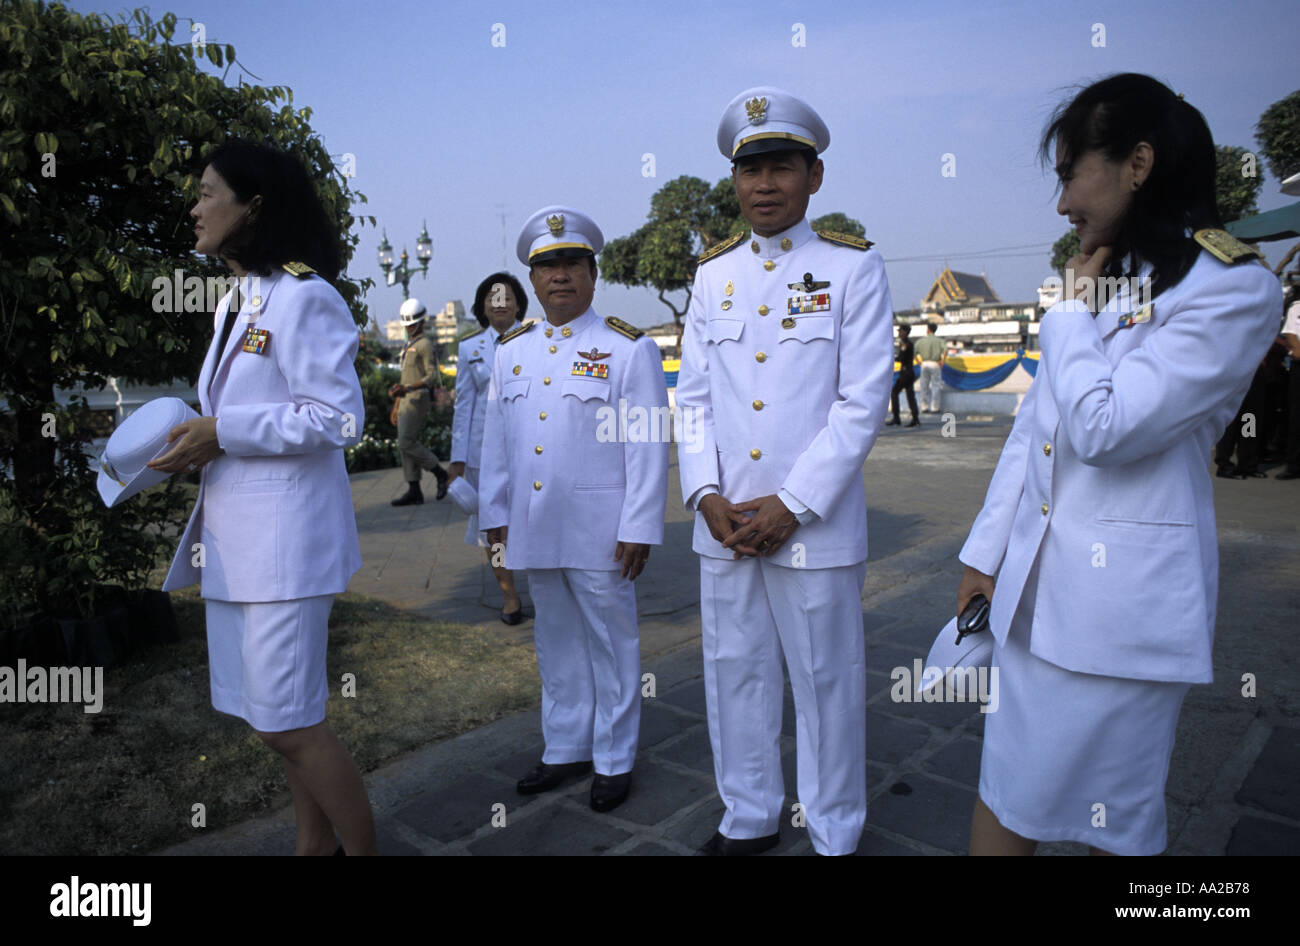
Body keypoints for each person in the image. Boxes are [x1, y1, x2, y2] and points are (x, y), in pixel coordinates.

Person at [955, 74, 1281, 856]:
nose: (1063, 203)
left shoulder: (1233, 288)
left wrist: (1065, 310)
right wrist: (983, 553)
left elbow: (1105, 429)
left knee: (1117, 822)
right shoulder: (1109, 273)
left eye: (1071, 173)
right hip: (1036, 595)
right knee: (1006, 790)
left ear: (1138, 162)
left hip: (1118, 612)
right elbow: (1038, 427)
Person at [675, 87, 895, 856]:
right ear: (733, 181)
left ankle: (835, 832)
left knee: (826, 684)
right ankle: (749, 817)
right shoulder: (712, 277)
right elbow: (692, 398)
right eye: (750, 170)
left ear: (815, 175)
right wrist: (704, 494)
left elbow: (862, 401)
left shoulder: (852, 269)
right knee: (734, 677)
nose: (764, 185)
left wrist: (794, 503)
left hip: (813, 525)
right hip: (727, 524)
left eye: (781, 167)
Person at [150, 140, 378, 855]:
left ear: (254, 206)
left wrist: (225, 431)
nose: (194, 209)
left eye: (208, 193)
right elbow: (245, 419)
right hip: (237, 548)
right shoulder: (240, 302)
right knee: (276, 718)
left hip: (285, 551)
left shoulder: (307, 296)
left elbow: (339, 417)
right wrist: (198, 442)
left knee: (288, 723)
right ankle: (316, 848)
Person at [478, 206, 669, 813]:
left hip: (601, 529)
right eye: (547, 265)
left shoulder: (626, 348)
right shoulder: (512, 350)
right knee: (555, 641)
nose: (560, 275)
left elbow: (646, 444)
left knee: (612, 644)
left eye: (572, 263)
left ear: (593, 273)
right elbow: (497, 442)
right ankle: (565, 747)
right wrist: (493, 513)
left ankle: (614, 758)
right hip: (533, 525)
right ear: (532, 281)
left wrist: (640, 524)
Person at [449, 273, 528, 623]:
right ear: (483, 306)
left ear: (519, 304)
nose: (500, 304)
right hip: (484, 453)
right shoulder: (470, 349)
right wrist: (458, 459)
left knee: (532, 518)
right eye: (493, 299)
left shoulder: (537, 340)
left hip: (529, 448)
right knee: (491, 528)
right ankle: (509, 595)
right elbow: (463, 406)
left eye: (507, 298)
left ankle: (545, 584)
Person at [390, 297, 449, 505]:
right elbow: (405, 378)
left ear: (421, 323)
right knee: (406, 444)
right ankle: (414, 489)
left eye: (412, 325)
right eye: (407, 325)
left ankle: (440, 473)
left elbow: (432, 376)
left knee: (406, 442)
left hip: (417, 399)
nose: (409, 329)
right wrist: (397, 404)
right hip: (405, 400)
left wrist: (409, 389)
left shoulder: (424, 345)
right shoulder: (409, 345)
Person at [1277, 279, 1300, 479]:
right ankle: (1293, 464)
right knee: (1295, 416)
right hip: (1298, 365)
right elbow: (1291, 334)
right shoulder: (1296, 306)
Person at [886, 323, 920, 427]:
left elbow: (901, 358)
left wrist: (891, 358)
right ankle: (915, 419)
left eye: (900, 331)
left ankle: (896, 418)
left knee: (894, 393)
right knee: (910, 396)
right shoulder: (908, 343)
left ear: (905, 332)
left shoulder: (905, 344)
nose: (899, 333)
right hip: (909, 372)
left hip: (905, 373)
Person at [914, 321, 946, 413]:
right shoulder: (940, 341)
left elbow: (914, 352)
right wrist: (942, 362)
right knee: (936, 386)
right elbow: (945, 351)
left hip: (924, 363)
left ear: (927, 329)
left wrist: (918, 362)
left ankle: (924, 407)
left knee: (924, 386)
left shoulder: (921, 341)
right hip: (935, 363)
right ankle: (934, 408)